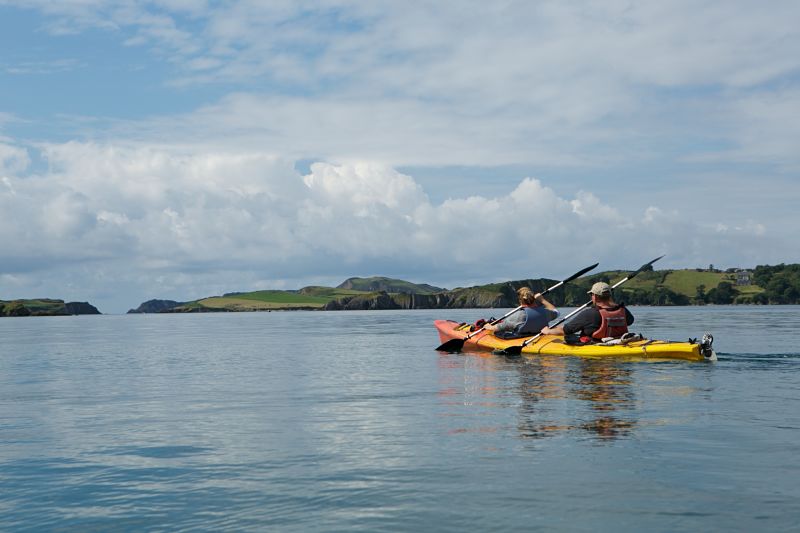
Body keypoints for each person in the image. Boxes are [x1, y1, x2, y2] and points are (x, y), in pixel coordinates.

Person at [540, 282, 633, 341]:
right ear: (610, 296)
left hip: (595, 350)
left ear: (595, 296)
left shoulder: (590, 314)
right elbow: (630, 321)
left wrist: (548, 331)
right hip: (617, 342)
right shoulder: (622, 310)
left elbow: (566, 331)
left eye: (591, 294)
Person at [483, 287, 559, 338]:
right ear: (534, 299)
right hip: (539, 335)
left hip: (521, 338)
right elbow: (556, 312)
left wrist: (487, 326)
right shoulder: (545, 312)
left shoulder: (518, 316)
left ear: (520, 301)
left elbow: (496, 328)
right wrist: (542, 300)